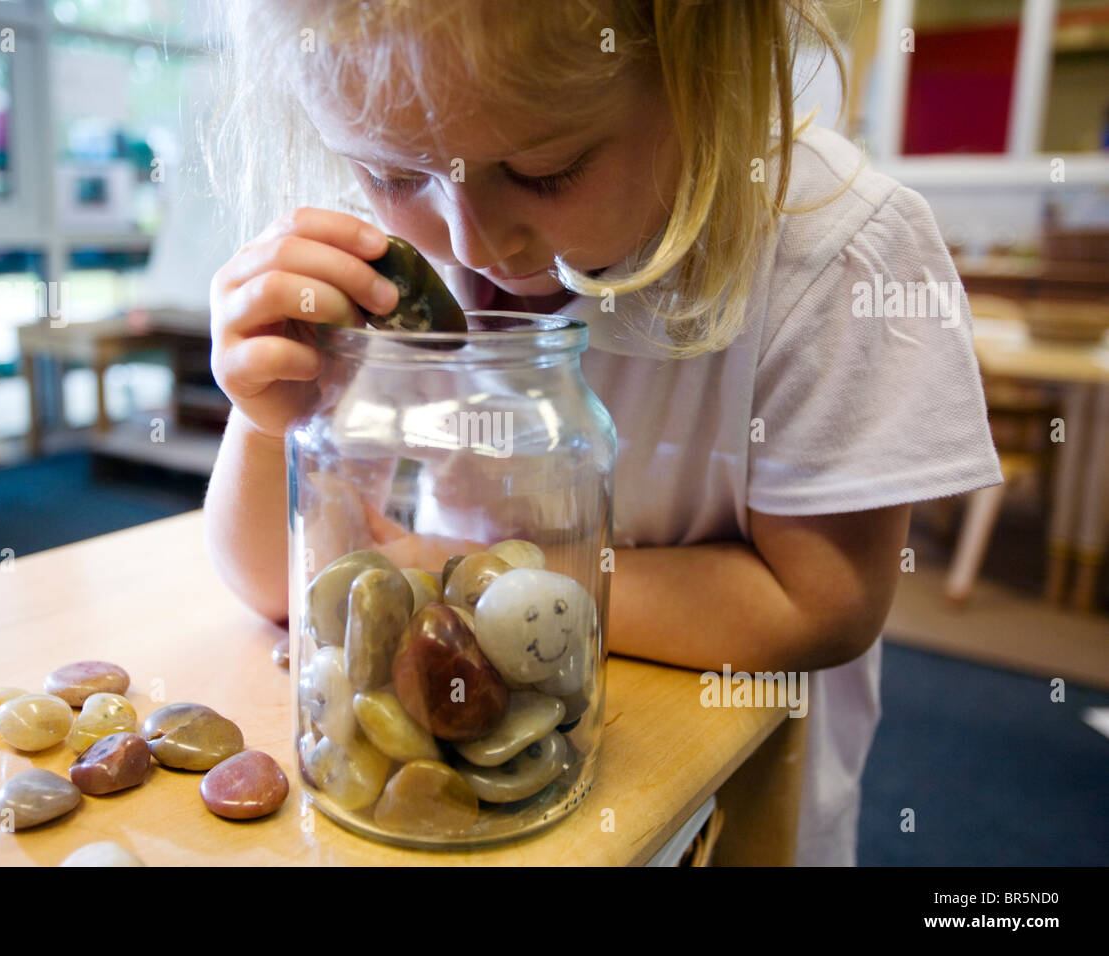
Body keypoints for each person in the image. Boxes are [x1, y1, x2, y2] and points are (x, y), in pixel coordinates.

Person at [201, 0, 1003, 865]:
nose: (474, 242)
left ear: (708, 74)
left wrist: (434, 564)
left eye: (547, 170)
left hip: (732, 810)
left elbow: (821, 605)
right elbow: (284, 592)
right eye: (392, 173)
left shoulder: (834, 253)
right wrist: (272, 419)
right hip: (475, 798)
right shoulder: (400, 254)